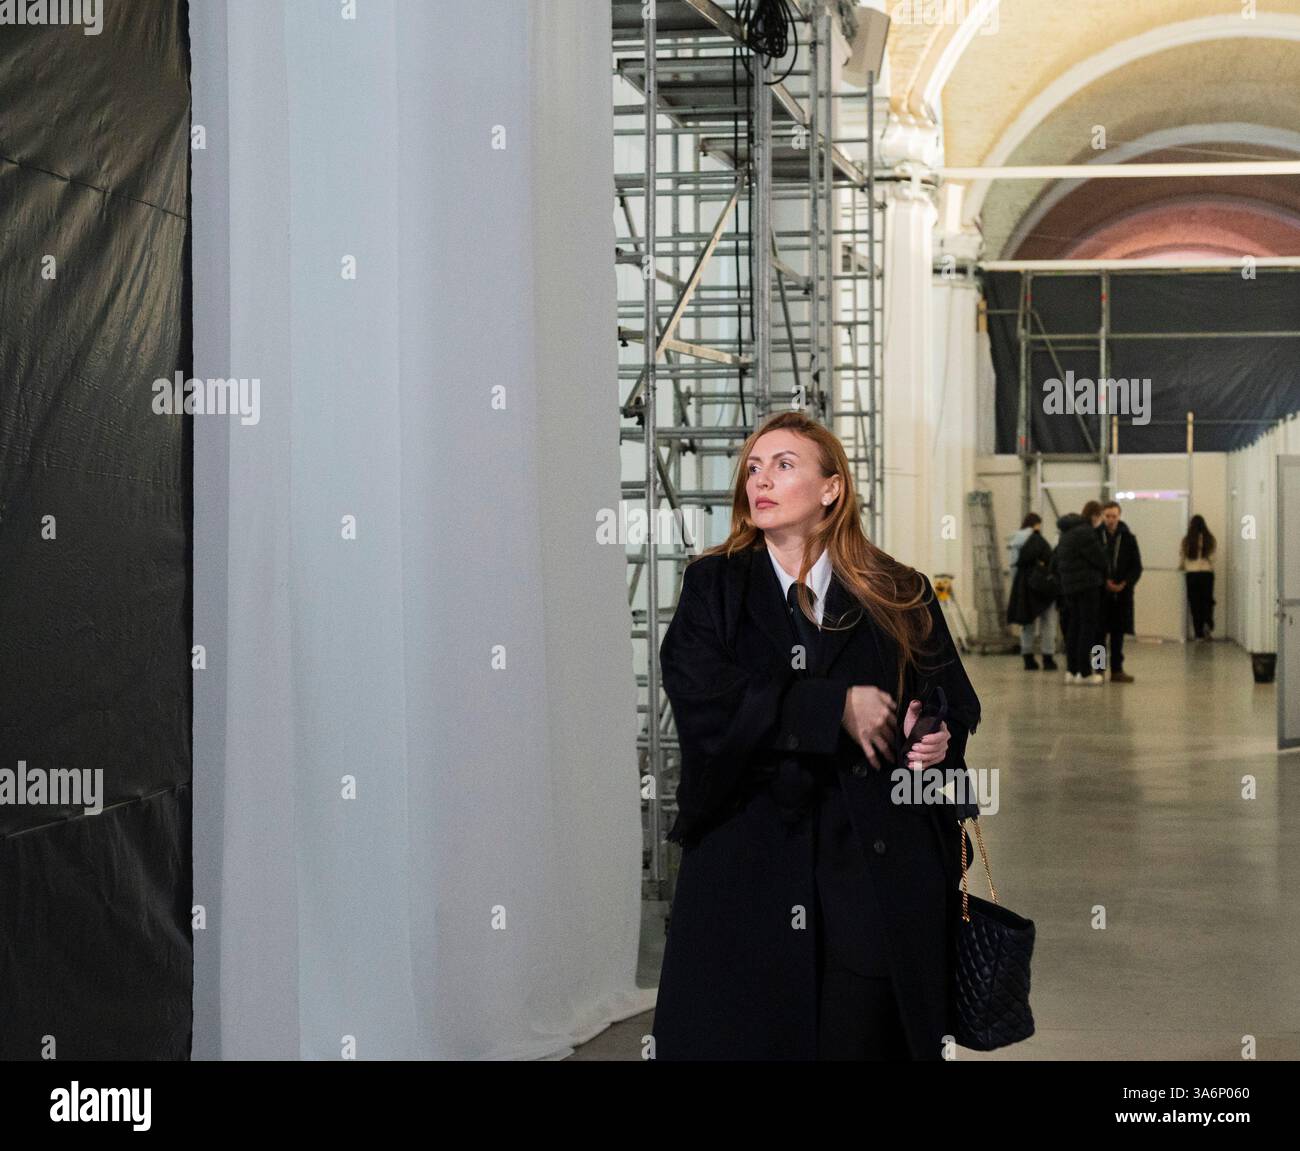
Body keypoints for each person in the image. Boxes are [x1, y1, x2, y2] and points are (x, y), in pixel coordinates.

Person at [651, 411, 982, 1062]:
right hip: (747, 866)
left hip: (867, 869)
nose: (760, 480)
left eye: (783, 464)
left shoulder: (898, 589)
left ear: (832, 489)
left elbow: (952, 697)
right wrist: (833, 708)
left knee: (860, 1036)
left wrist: (935, 732)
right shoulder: (713, 586)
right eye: (753, 467)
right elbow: (701, 696)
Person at [1052, 501, 1107, 686]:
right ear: (1095, 515)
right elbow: (1101, 559)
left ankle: (1072, 669)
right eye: (1102, 516)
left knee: (1075, 628)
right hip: (1088, 587)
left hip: (1070, 588)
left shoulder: (1067, 533)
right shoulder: (1087, 532)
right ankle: (1089, 671)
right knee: (1090, 630)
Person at [1095, 500, 1143, 683]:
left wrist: (1125, 583)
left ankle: (1117, 670)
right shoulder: (1095, 537)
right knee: (1098, 635)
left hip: (1122, 595)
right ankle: (1098, 670)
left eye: (1114, 516)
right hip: (1101, 595)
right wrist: (1103, 582)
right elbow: (1091, 565)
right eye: (1107, 516)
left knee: (1118, 634)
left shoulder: (1129, 538)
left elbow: (1137, 566)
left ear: (1119, 516)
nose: (1110, 520)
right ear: (1102, 516)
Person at [1006, 512, 1058, 671]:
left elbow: (1013, 566)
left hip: (1023, 586)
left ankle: (1028, 658)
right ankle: (1048, 658)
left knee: (1027, 622)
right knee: (1048, 622)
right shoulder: (1039, 540)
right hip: (1043, 587)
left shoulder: (1015, 541)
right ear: (1036, 524)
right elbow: (1051, 561)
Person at [1180, 514, 1216, 640]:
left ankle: (1198, 633)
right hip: (1206, 573)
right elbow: (1212, 558)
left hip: (1192, 574)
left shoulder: (1187, 540)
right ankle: (1208, 623)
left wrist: (1182, 567)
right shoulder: (1209, 539)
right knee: (1207, 601)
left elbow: (1182, 557)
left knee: (1195, 603)